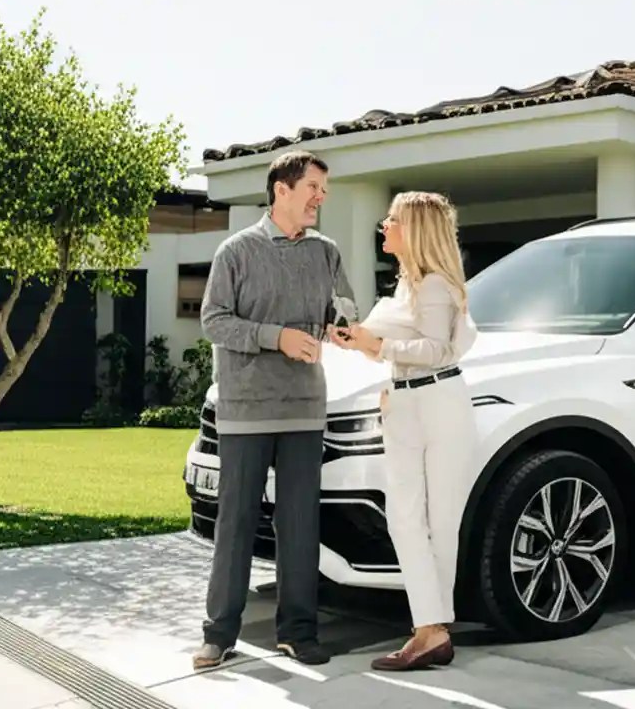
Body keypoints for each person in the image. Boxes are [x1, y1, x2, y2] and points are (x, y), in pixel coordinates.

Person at [194, 150, 357, 670]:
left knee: (300, 524)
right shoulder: (236, 251)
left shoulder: (326, 252)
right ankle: (219, 634)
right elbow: (214, 321)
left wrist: (342, 323)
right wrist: (276, 338)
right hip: (245, 408)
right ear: (281, 190)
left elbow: (346, 305)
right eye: (313, 186)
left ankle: (298, 632)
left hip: (305, 407)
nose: (320, 197)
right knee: (236, 523)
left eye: (324, 189)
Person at [329, 191, 478, 672]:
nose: (384, 226)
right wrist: (359, 342)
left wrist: (380, 342)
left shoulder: (435, 286)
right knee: (406, 518)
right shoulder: (406, 287)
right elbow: (394, 349)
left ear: (414, 229)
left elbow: (436, 349)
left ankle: (430, 632)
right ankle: (431, 629)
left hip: (437, 401)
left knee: (436, 521)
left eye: (392, 220)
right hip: (408, 402)